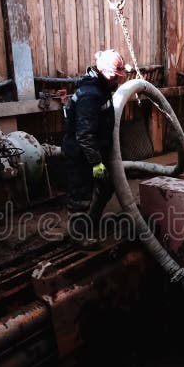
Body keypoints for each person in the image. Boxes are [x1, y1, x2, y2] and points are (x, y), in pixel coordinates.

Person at [62, 49, 127, 248]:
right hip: (82, 155)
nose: (118, 81)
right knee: (80, 197)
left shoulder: (100, 88)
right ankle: (78, 237)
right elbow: (84, 135)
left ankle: (90, 223)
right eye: (116, 76)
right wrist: (96, 162)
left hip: (96, 152)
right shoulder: (89, 95)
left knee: (107, 186)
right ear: (106, 73)